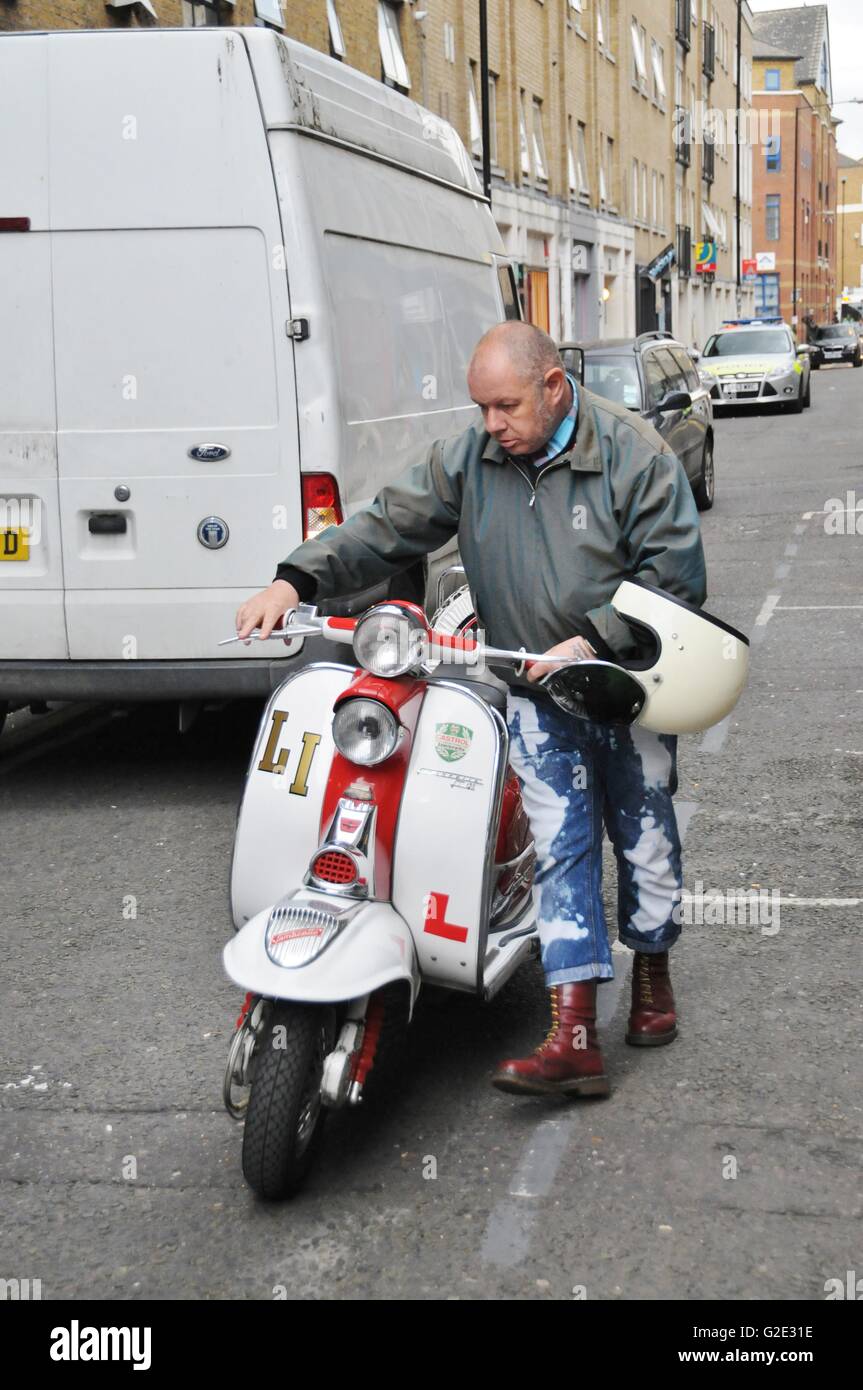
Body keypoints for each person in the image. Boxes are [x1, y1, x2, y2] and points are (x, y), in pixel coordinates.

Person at [236, 321, 706, 1099]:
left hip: (626, 690)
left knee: (644, 835)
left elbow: (674, 576)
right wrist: (295, 581)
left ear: (554, 388)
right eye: (481, 408)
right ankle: (574, 1034)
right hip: (532, 691)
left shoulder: (633, 455)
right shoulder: (471, 460)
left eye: (505, 406)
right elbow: (386, 525)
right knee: (560, 847)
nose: (491, 424)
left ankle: (651, 966)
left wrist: (592, 639)